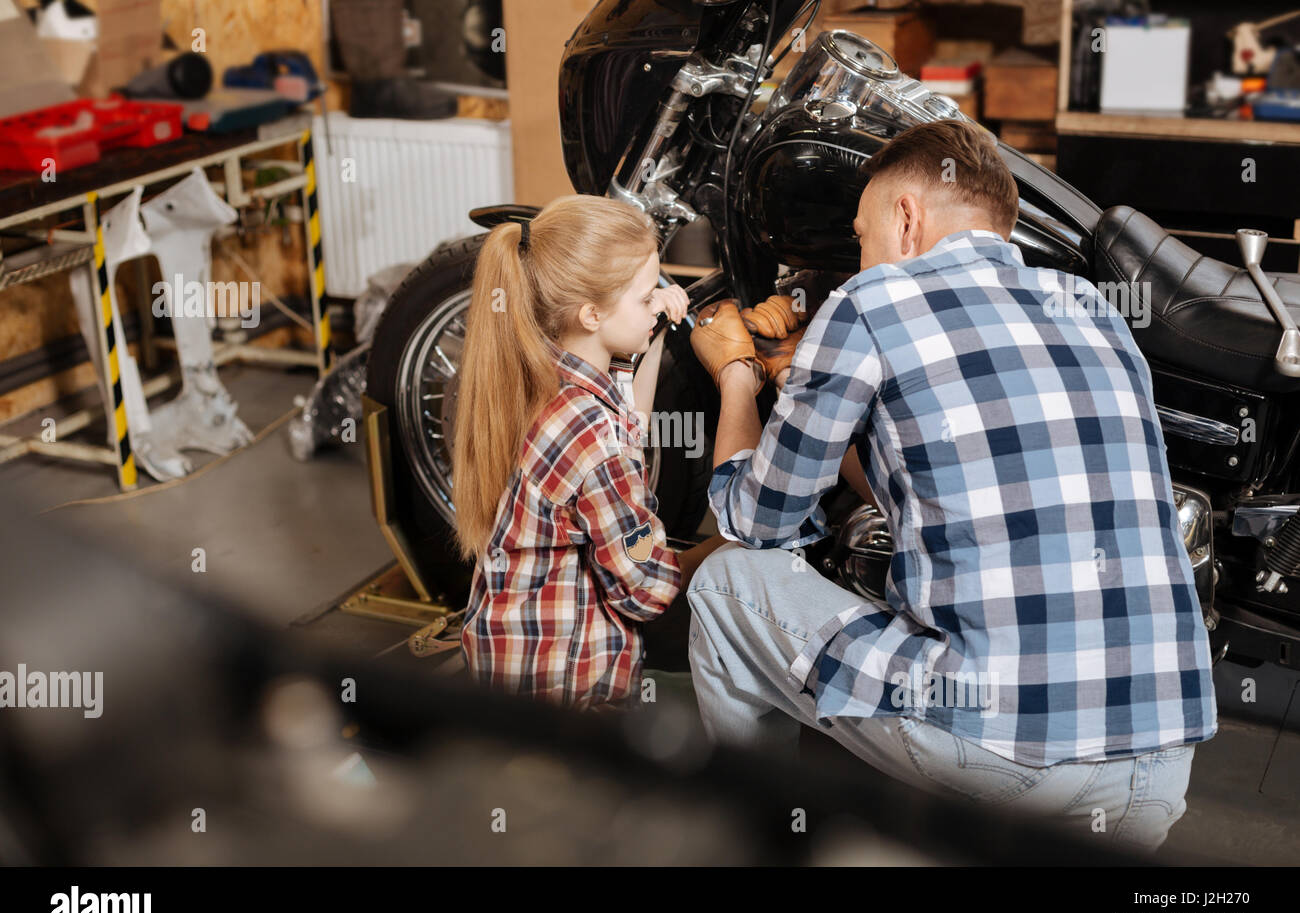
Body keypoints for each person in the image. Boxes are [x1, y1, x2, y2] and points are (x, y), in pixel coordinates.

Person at [685, 120, 1218, 853]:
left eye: (862, 237)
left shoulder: (871, 303)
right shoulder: (1092, 308)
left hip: (1009, 748)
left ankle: (764, 841)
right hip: (1161, 758)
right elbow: (944, 491)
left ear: (906, 219)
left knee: (727, 583)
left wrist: (737, 377)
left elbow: (758, 519)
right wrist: (803, 380)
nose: (860, 259)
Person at [454, 195, 726, 710]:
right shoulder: (591, 440)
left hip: (510, 655)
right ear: (592, 313)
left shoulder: (550, 376)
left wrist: (655, 329)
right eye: (648, 296)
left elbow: (629, 425)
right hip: (562, 690)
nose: (658, 304)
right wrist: (727, 549)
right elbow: (646, 588)